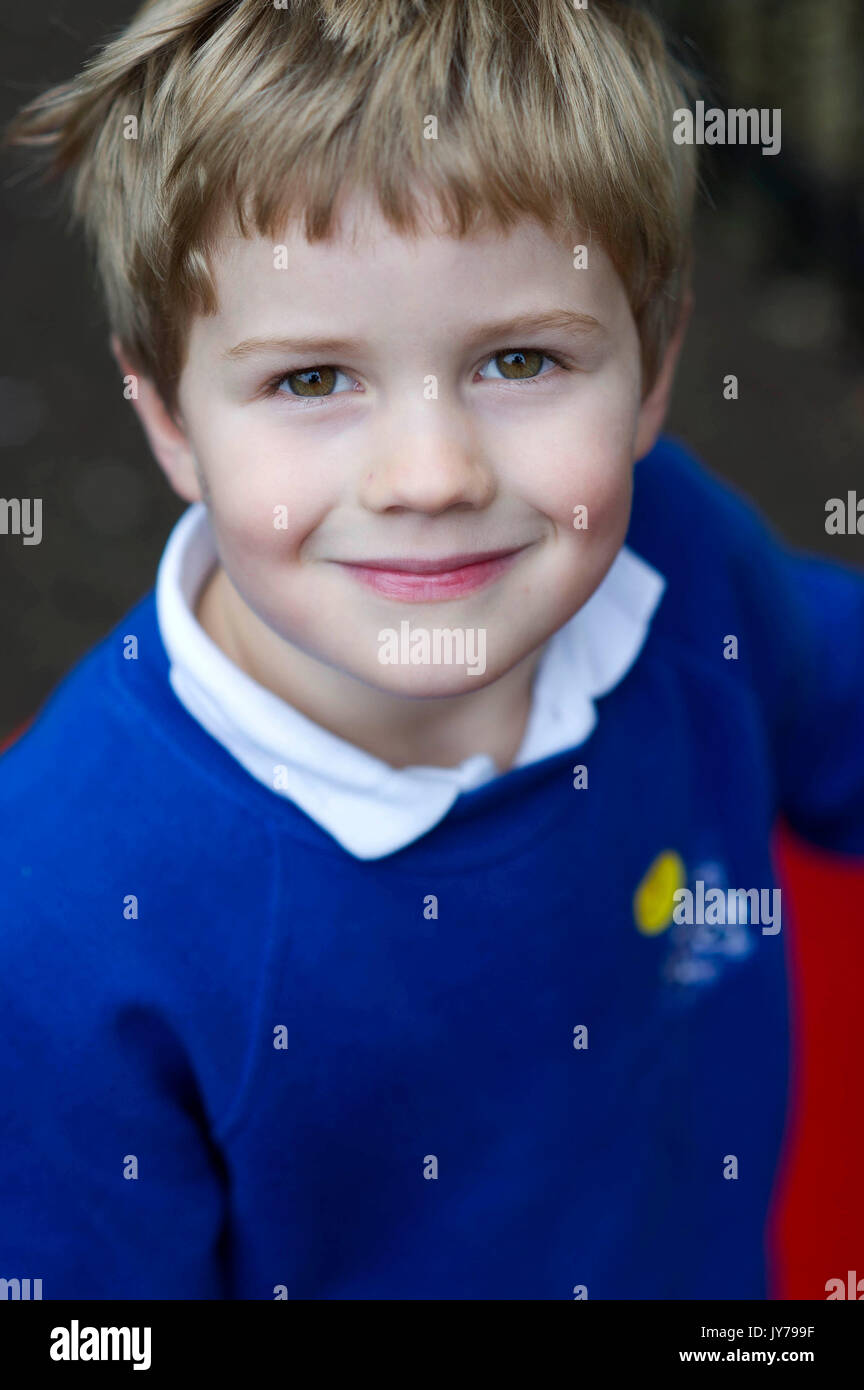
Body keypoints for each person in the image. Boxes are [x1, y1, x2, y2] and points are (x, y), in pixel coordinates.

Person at [1, 0, 862, 1300]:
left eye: (519, 359)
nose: (431, 475)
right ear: (171, 418)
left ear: (656, 364)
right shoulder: (61, 913)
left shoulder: (681, 560)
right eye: (310, 380)